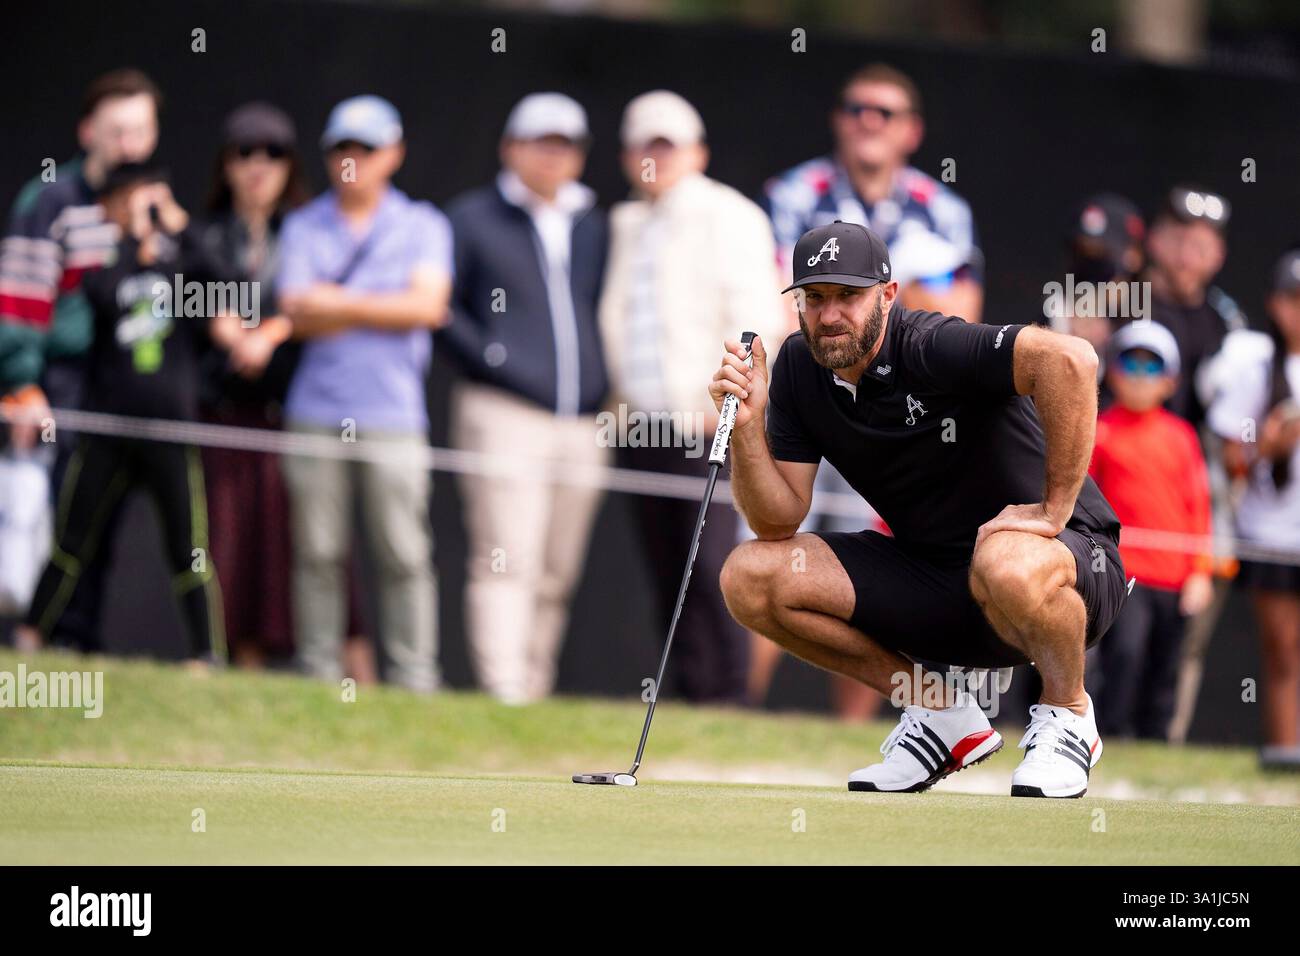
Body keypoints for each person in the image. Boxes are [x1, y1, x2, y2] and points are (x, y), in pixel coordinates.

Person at [714, 222, 1130, 798]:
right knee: (750, 576)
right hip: (943, 582)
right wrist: (749, 426)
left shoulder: (931, 344)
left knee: (1005, 559)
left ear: (887, 296)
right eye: (815, 298)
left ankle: (1069, 715)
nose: (830, 315)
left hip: (1069, 570)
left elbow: (1072, 361)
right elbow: (777, 521)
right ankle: (940, 715)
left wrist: (1053, 511)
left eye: (848, 296)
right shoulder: (797, 368)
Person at [598, 91, 786, 704]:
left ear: (696, 152)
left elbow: (758, 319)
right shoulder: (626, 223)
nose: (654, 159)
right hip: (640, 426)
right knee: (666, 570)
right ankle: (688, 697)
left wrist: (728, 406)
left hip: (708, 422)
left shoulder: (730, 215)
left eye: (666, 145)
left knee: (712, 572)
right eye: (642, 146)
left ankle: (728, 703)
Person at [13, 163, 226, 665]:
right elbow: (103, 295)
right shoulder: (111, 261)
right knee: (72, 538)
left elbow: (224, 285)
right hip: (109, 428)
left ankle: (207, 655)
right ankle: (30, 636)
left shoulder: (181, 266)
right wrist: (133, 241)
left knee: (188, 547)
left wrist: (178, 225)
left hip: (170, 430)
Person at [277, 95, 451, 692]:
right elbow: (294, 314)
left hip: (393, 415)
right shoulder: (303, 225)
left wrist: (335, 301)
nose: (351, 161)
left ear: (394, 154)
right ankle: (319, 674)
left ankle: (413, 681)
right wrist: (381, 305)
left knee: (404, 553)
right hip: (315, 411)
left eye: (366, 149)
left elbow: (427, 308)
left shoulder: (424, 224)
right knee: (317, 552)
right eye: (340, 149)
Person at [440, 93, 609, 703]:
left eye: (565, 144)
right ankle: (505, 691)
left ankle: (533, 688)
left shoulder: (593, 224)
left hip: (583, 422)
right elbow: (442, 308)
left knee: (557, 568)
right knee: (506, 556)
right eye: (540, 141)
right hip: (504, 413)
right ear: (511, 147)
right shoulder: (473, 218)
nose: (552, 155)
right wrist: (493, 359)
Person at [0, 68, 163, 652]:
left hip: (121, 385)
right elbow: (19, 300)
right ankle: (34, 641)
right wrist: (22, 384)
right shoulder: (50, 200)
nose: (129, 146)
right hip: (59, 385)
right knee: (43, 520)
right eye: (117, 131)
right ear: (87, 131)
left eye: (140, 131)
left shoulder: (154, 209)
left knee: (98, 521)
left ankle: (77, 642)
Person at [763, 62, 982, 322]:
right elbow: (778, 305)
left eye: (885, 113)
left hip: (909, 356)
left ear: (913, 131)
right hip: (821, 350)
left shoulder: (944, 209)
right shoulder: (790, 196)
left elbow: (962, 321)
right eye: (856, 110)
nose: (869, 121)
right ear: (837, 120)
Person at [1085, 322, 1214, 739]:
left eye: (1152, 365)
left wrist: (1200, 571)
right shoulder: (1098, 429)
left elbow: (1198, 507)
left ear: (1170, 381)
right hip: (1124, 572)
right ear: (1113, 372)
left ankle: (1155, 741)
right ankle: (1112, 733)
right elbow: (1083, 499)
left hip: (1175, 577)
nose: (1140, 375)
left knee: (1167, 663)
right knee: (1124, 653)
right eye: (1130, 362)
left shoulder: (1182, 437)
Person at [1207, 248, 1300, 769]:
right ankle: (1287, 753)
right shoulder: (1256, 368)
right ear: (1276, 305)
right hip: (1272, 534)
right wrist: (1267, 443)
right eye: (1294, 299)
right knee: (1283, 647)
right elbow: (1233, 461)